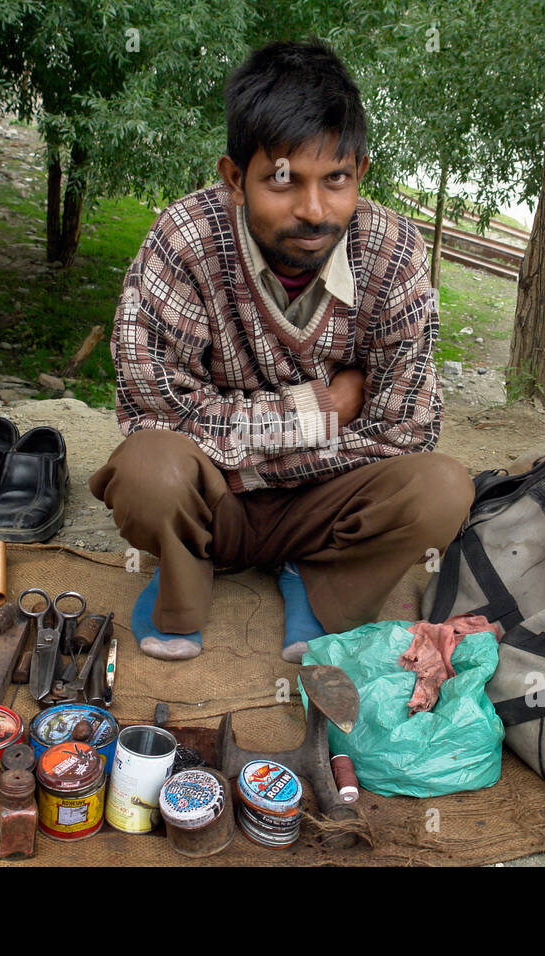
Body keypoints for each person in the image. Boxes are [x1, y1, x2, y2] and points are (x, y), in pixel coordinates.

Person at [88, 38, 475, 662]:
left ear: (361, 174)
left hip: (322, 506)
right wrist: (322, 410)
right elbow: (156, 411)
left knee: (442, 488)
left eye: (337, 180)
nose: (314, 210)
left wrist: (246, 449)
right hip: (213, 502)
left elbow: (408, 432)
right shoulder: (182, 240)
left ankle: (318, 581)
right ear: (236, 178)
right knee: (148, 470)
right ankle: (185, 580)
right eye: (283, 182)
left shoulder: (395, 255)